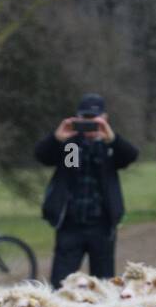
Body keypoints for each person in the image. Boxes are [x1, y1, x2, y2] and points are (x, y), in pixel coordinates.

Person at [35, 93, 139, 288]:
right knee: (61, 283)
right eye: (86, 119)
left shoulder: (109, 148)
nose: (90, 124)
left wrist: (111, 138)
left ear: (104, 119)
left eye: (95, 119)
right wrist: (57, 138)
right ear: (77, 118)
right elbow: (44, 156)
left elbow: (130, 156)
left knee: (103, 284)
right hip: (70, 226)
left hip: (101, 226)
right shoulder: (72, 146)